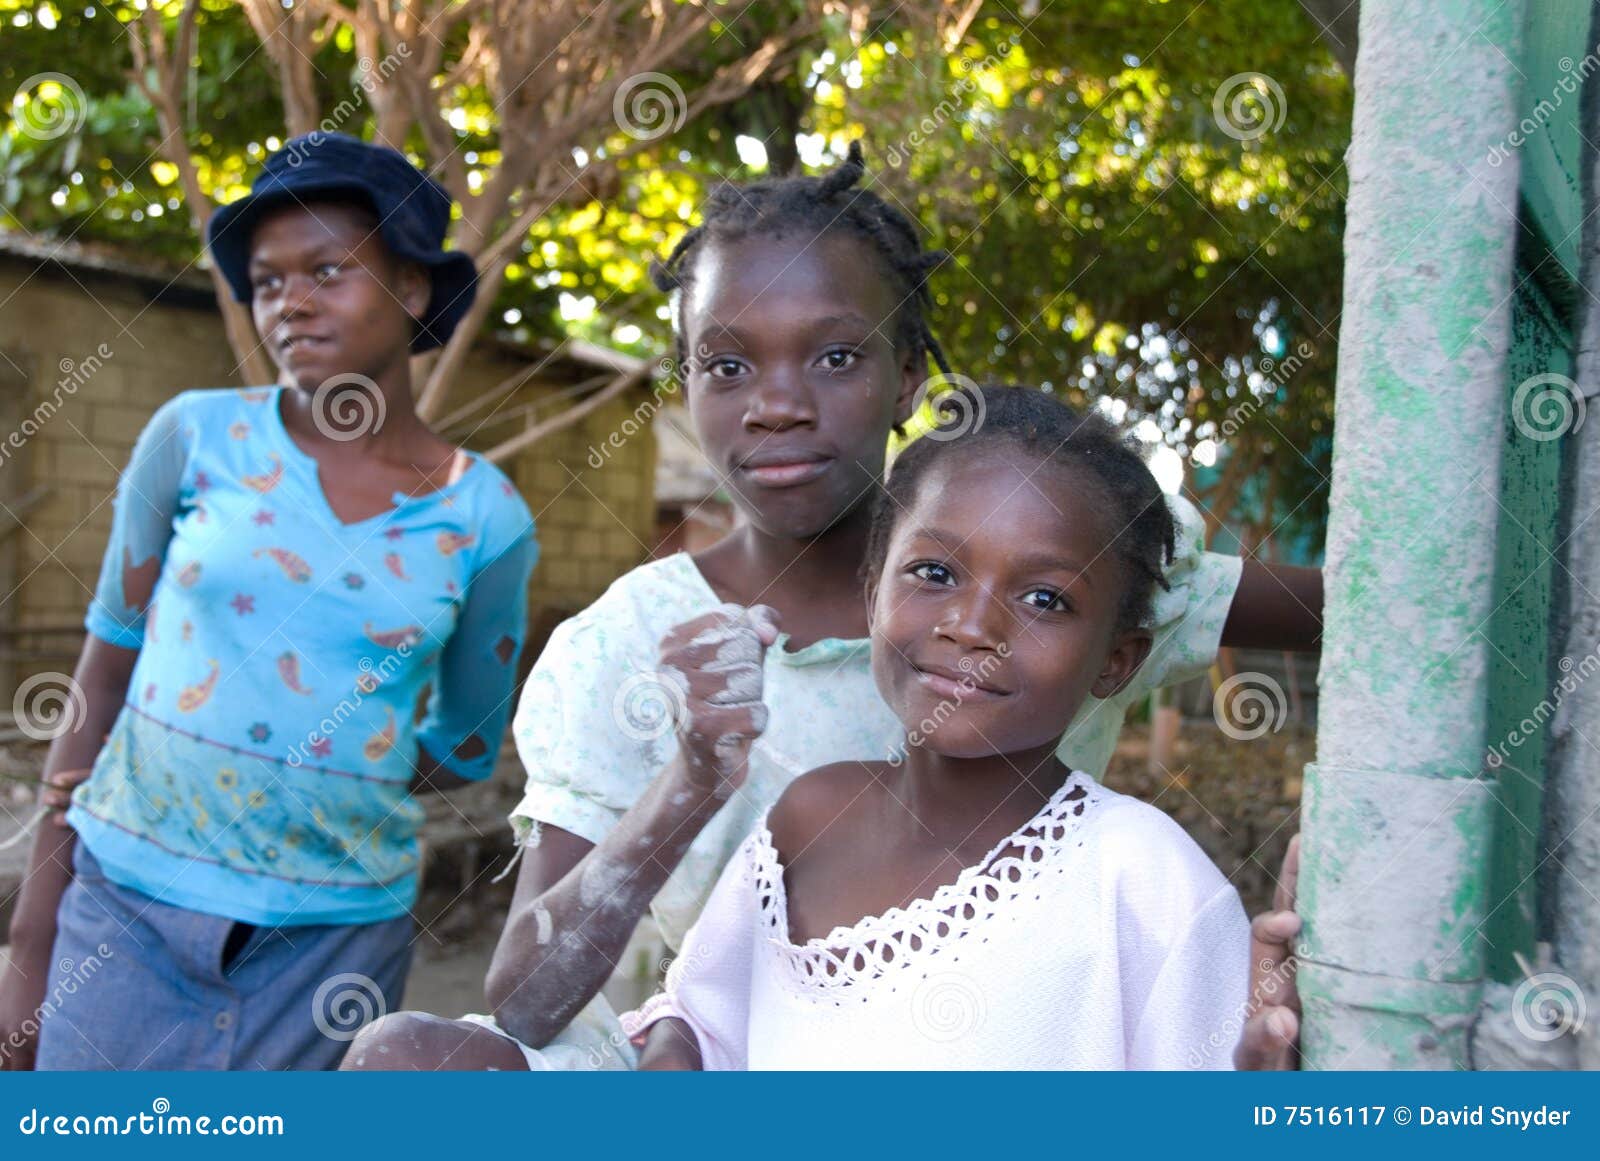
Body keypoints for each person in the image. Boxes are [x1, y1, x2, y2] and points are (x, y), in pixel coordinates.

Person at [343, 142, 1318, 1071]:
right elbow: (528, 999)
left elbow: (1361, 622)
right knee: (405, 1059)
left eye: (836, 357)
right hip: (719, 1053)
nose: (778, 404)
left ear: (908, 376)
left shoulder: (1068, 560)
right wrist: (690, 783)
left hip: (1001, 1044)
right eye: (727, 365)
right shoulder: (623, 648)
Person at [0, 132, 537, 1070]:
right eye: (267, 280)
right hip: (122, 910)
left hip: (332, 951)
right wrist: (31, 940)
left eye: (328, 270)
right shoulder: (191, 438)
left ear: (413, 288)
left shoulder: (485, 518)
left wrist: (333, 771)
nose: (291, 300)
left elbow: (464, 746)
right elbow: (105, 668)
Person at [632, 385, 1247, 1067]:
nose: (972, 626)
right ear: (875, 596)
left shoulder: (1144, 880)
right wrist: (672, 1054)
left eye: (1045, 599)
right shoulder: (807, 819)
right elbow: (703, 1018)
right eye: (934, 572)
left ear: (1116, 660)